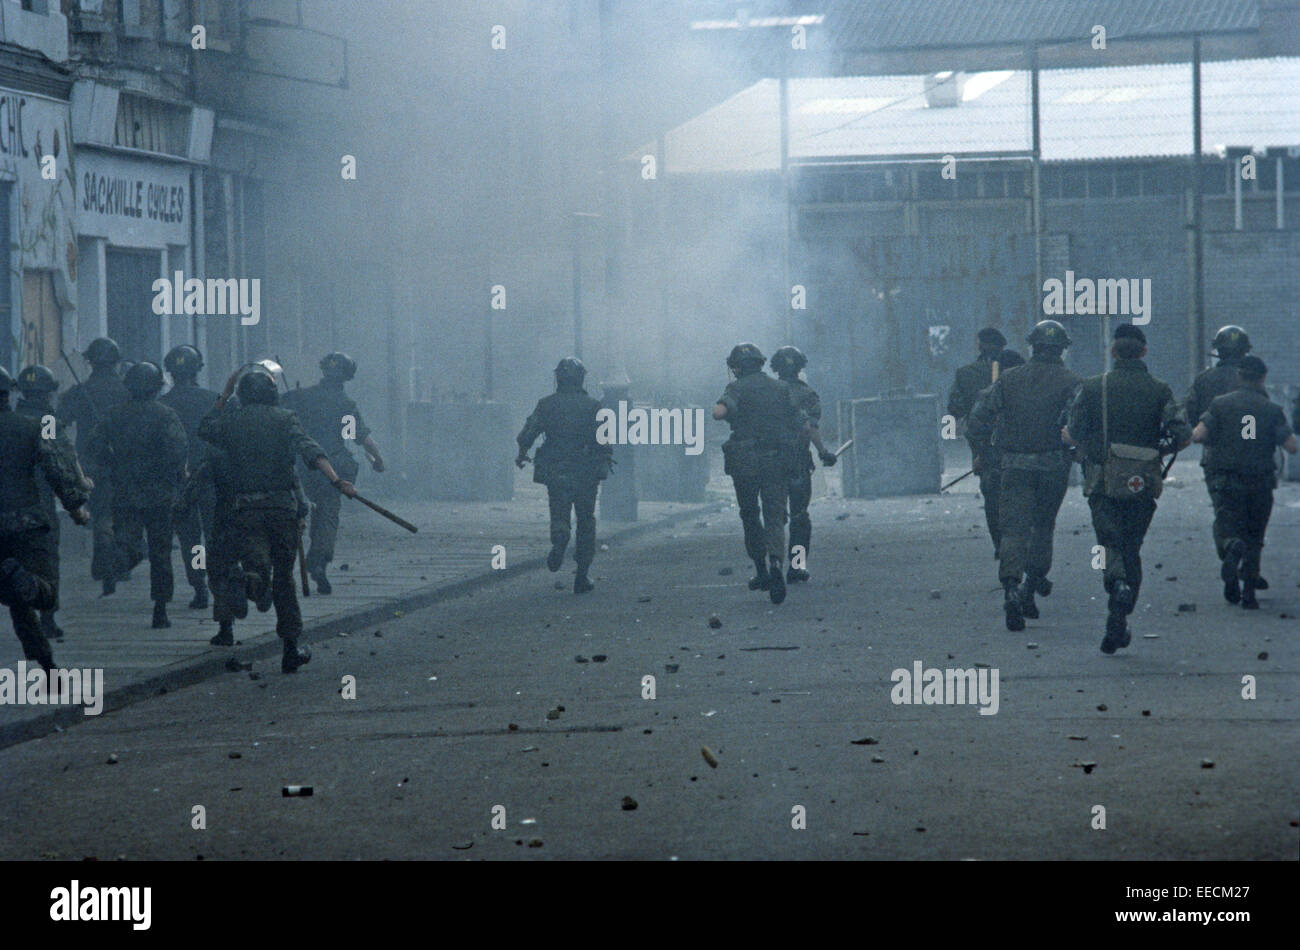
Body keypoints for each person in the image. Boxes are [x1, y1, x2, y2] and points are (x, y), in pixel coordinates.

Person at [199, 366, 356, 672]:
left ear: (241, 394)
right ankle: (290, 649)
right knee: (284, 578)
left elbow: (205, 428)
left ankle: (251, 581)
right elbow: (311, 450)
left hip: (245, 509)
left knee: (257, 562)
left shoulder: (230, 421)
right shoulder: (285, 419)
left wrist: (225, 393)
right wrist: (338, 481)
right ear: (272, 393)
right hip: (282, 508)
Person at [1065, 324, 1191, 654]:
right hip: (1143, 481)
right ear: (1144, 352)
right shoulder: (1160, 390)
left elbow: (1075, 431)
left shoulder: (1093, 387)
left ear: (1112, 351)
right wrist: (1155, 451)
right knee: (1132, 546)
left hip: (1102, 480)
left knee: (1109, 542)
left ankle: (1116, 583)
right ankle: (1120, 613)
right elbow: (1182, 434)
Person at [968, 322, 1080, 631]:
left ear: (1032, 347)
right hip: (1053, 467)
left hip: (1014, 466)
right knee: (1043, 526)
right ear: (1062, 349)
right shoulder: (1072, 382)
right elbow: (1080, 427)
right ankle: (1031, 585)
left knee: (1013, 529)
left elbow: (977, 419)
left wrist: (986, 451)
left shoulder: (1008, 379)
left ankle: (1011, 588)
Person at [0, 366, 90, 680]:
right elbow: (56, 471)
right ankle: (49, 667)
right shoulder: (30, 428)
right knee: (44, 592)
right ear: (8, 393)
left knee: (17, 599)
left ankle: (48, 666)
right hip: (28, 521)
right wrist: (76, 507)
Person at [87, 362, 188, 629]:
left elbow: (94, 446)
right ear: (157, 387)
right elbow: (178, 451)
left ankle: (116, 564)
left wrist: (111, 463)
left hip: (125, 491)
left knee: (128, 542)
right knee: (161, 553)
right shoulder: (166, 415)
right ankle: (160, 609)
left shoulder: (113, 415)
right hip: (159, 493)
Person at [1191, 356, 1297, 608]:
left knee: (1226, 524)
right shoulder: (1272, 409)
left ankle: (1230, 546)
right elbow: (1291, 447)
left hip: (1226, 479)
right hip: (1260, 481)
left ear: (1239, 377)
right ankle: (1249, 593)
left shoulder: (1219, 404)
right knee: (1255, 535)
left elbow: (1198, 435)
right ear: (1262, 378)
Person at [713, 343, 808, 605]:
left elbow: (718, 412)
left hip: (745, 460)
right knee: (775, 515)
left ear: (737, 367)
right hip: (776, 459)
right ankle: (777, 562)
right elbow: (802, 423)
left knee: (750, 514)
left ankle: (761, 570)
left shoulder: (736, 388)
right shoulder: (780, 388)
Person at [282, 353, 384, 594]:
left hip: (303, 465)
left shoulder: (300, 396)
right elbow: (362, 439)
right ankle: (318, 561)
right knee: (327, 512)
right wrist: (378, 461)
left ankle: (281, 569)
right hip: (333, 467)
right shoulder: (345, 405)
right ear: (348, 376)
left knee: (300, 511)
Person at [1183, 325, 1271, 589]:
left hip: (1217, 460)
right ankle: (1251, 572)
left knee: (1226, 513)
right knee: (1254, 518)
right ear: (1245, 351)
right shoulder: (1253, 382)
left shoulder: (1203, 380)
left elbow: (1191, 416)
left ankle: (1230, 544)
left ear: (1218, 350)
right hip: (1255, 462)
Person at [515, 357, 613, 594]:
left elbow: (527, 433)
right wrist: (603, 464)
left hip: (556, 469)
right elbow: (604, 442)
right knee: (586, 520)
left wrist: (522, 453)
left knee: (559, 512)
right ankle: (582, 575)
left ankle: (559, 538)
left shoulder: (546, 404)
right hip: (585, 470)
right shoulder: (594, 407)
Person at [57, 337, 129, 593]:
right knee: (121, 514)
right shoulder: (128, 391)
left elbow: (60, 421)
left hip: (90, 463)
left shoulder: (80, 393)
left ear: (90, 362)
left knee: (100, 513)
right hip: (124, 463)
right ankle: (115, 562)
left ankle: (106, 562)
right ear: (116, 362)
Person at [768, 345, 837, 584]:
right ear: (800, 368)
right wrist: (824, 452)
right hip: (796, 462)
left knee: (773, 516)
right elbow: (809, 428)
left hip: (769, 462)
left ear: (776, 367)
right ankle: (796, 567)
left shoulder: (767, 392)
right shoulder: (807, 394)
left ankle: (773, 562)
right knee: (799, 516)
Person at [160, 344, 220, 610]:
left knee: (191, 539)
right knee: (214, 535)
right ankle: (219, 583)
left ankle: (199, 586)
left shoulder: (162, 405)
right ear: (198, 369)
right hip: (211, 478)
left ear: (170, 372)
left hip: (178, 482)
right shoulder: (214, 399)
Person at [948, 327, 1009, 556]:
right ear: (1002, 347)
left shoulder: (965, 374)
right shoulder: (1018, 370)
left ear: (980, 346)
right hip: (1017, 445)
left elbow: (954, 408)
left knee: (992, 498)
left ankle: (1000, 545)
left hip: (983, 448)